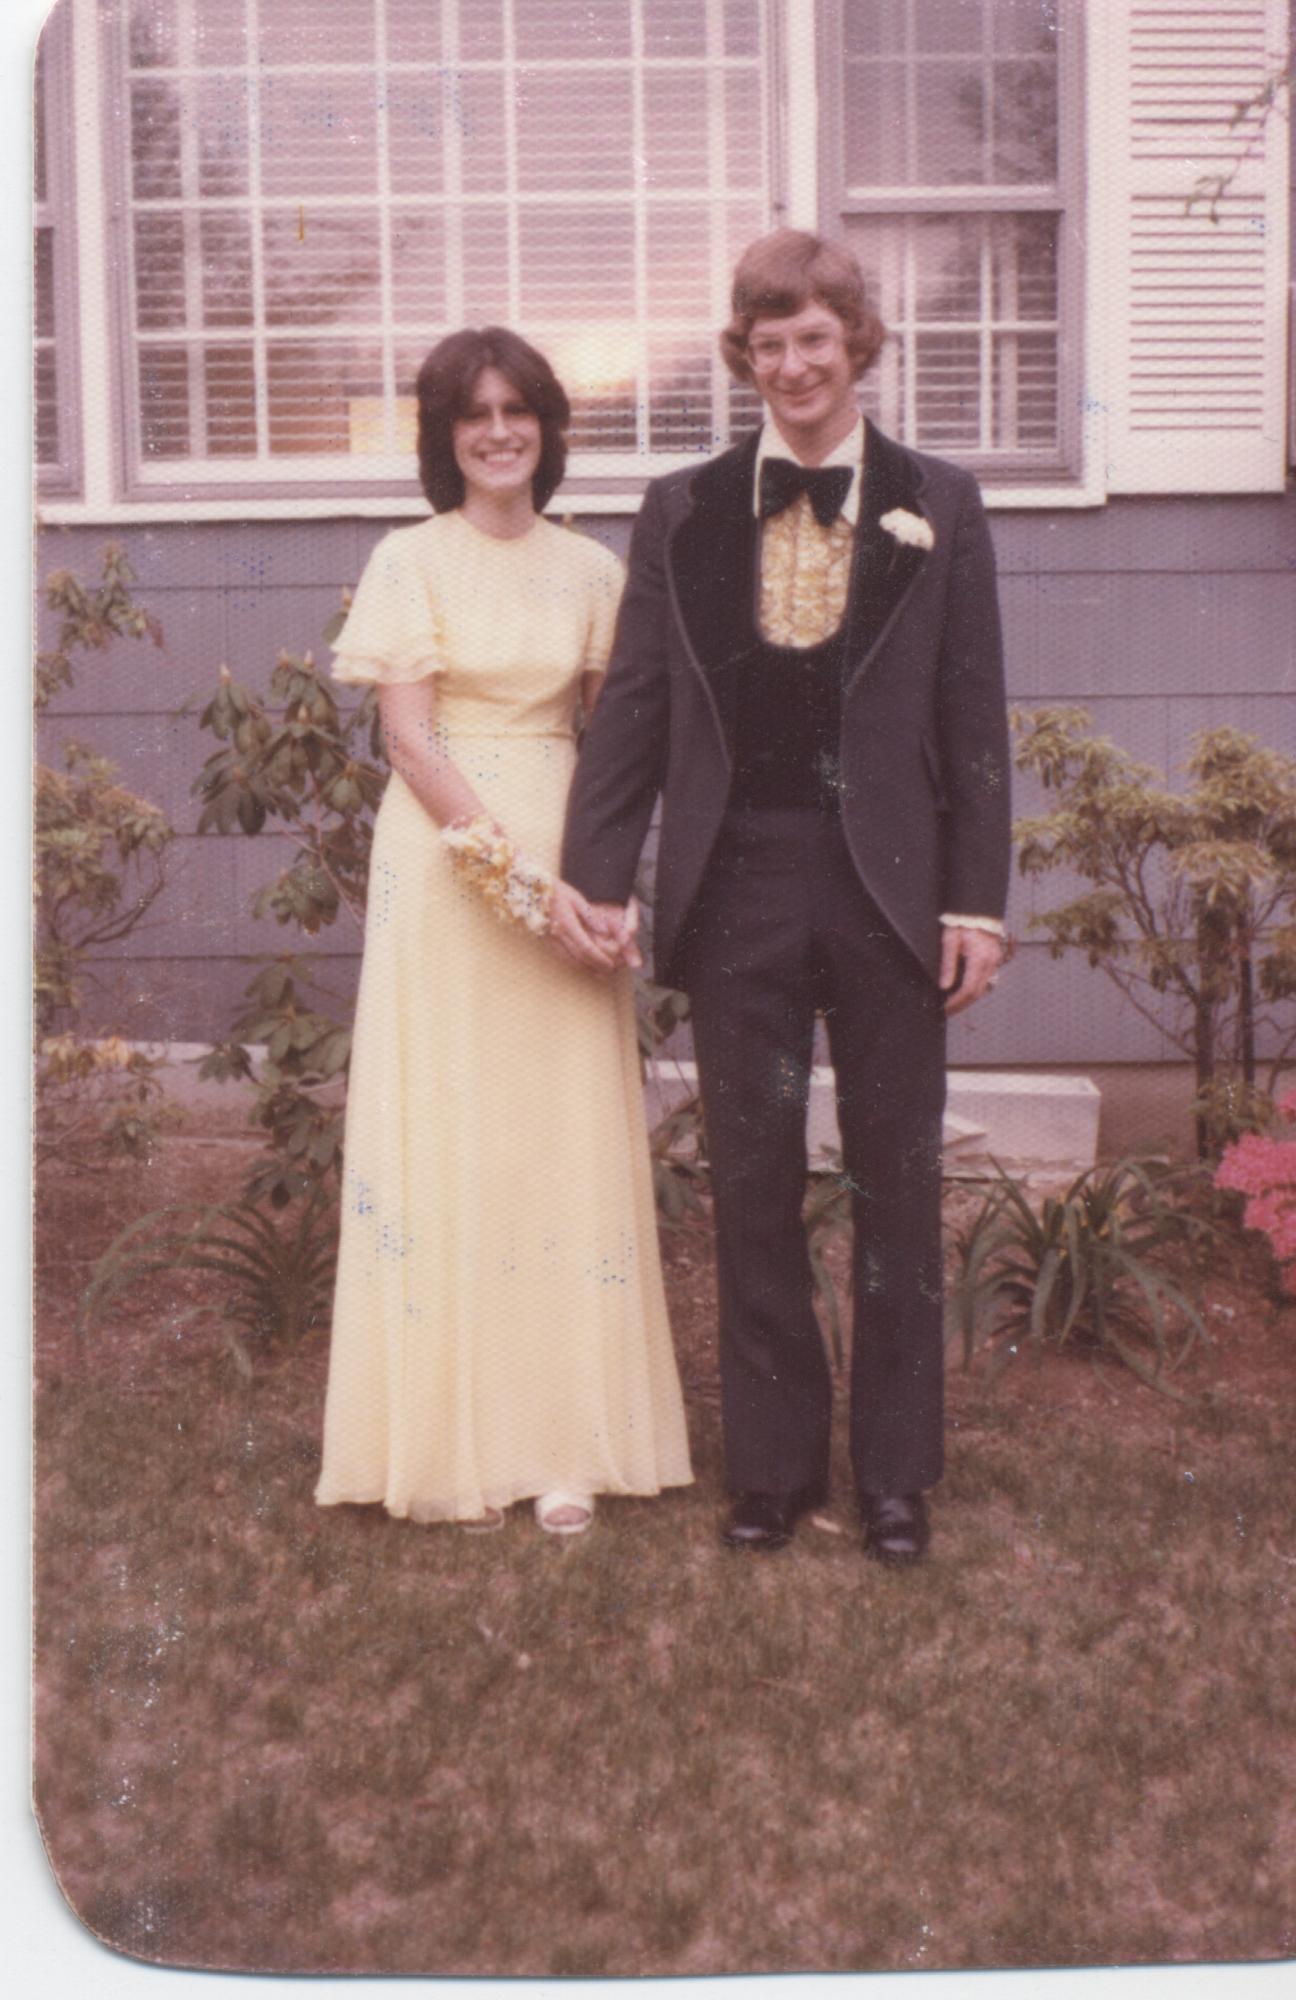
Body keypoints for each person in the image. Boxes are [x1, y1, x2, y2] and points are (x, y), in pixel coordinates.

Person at [561, 230, 1010, 1564]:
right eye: (770, 344)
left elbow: (973, 712)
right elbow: (637, 701)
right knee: (752, 1184)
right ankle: (770, 1468)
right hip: (739, 880)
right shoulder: (684, 508)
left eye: (816, 338)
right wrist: (597, 872)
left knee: (896, 1183)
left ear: (856, 343)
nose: (795, 365)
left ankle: (896, 1475)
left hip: (889, 891)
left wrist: (977, 903)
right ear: (744, 356)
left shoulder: (941, 501)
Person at [315, 328, 693, 1534]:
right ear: (446, 434)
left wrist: (594, 885)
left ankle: (563, 1441)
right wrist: (516, 884)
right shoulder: (407, 559)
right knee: (454, 1134)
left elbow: (618, 738)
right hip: (448, 865)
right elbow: (410, 740)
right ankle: (445, 1435)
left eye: (516, 409)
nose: (496, 432)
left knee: (556, 1142)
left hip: (572, 855)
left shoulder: (591, 570)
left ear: (547, 425)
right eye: (472, 413)